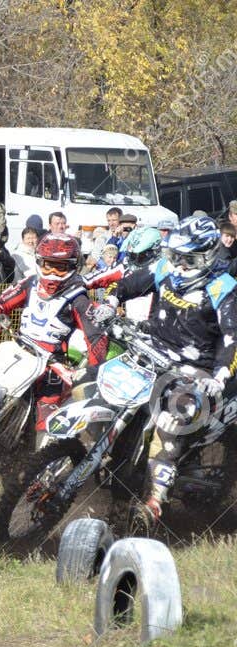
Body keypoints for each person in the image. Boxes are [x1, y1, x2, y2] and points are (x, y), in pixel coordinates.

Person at [88, 215, 237, 527]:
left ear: (207, 256)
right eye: (175, 256)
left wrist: (220, 374)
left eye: (188, 258)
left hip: (194, 369)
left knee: (170, 422)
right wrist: (112, 299)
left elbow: (230, 337)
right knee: (95, 383)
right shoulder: (165, 268)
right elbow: (132, 282)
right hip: (151, 350)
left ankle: (154, 502)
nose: (180, 265)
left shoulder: (223, 286)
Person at [0, 233, 111, 428]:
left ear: (72, 266)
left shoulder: (78, 298)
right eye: (48, 265)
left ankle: (39, 456)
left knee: (46, 424)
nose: (53, 272)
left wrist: (93, 370)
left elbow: (96, 337)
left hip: (52, 366)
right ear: (39, 262)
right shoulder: (30, 283)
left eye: (60, 266)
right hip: (17, 351)